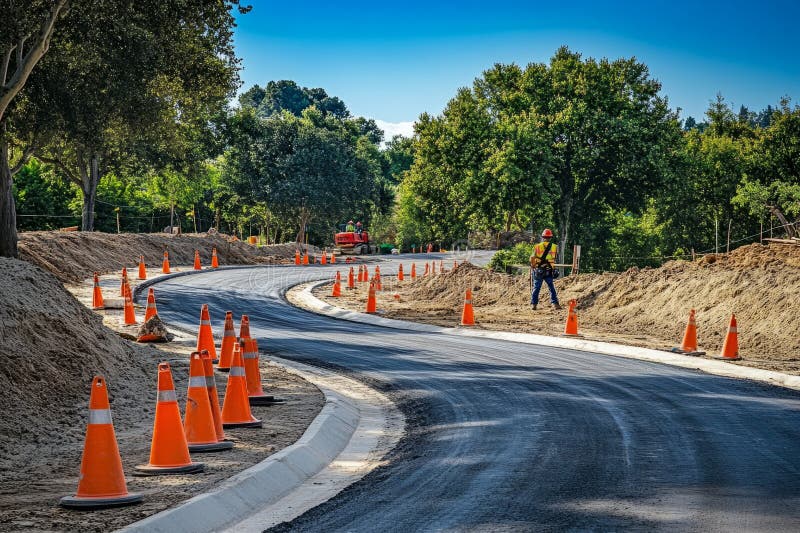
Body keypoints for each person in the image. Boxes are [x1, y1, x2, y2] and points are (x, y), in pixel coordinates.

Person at [529, 229, 561, 310]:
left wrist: (533, 265)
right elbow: (555, 258)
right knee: (551, 287)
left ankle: (534, 304)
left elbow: (532, 257)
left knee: (536, 287)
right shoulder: (554, 247)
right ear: (550, 237)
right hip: (549, 270)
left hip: (539, 270)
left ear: (543, 237)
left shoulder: (537, 246)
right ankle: (555, 304)